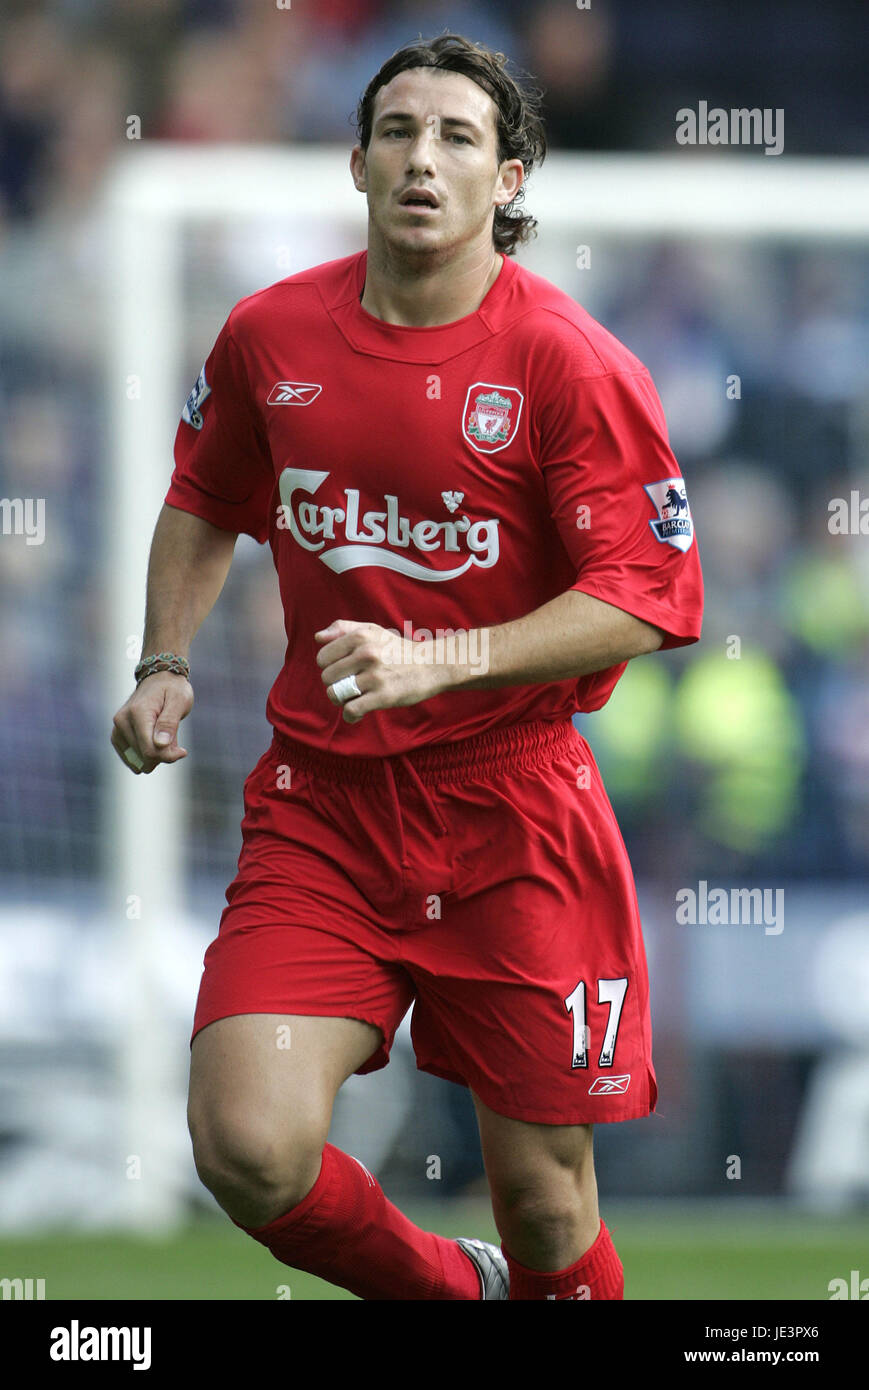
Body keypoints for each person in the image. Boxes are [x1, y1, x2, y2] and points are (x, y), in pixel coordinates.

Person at [110, 32, 703, 1301]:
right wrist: (164, 655)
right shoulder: (270, 337)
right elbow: (206, 497)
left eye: (455, 138)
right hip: (324, 807)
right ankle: (457, 1294)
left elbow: (646, 597)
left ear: (510, 178)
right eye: (397, 131)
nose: (421, 159)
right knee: (247, 1147)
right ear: (357, 158)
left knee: (545, 1207)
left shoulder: (569, 364)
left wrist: (445, 659)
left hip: (512, 809)